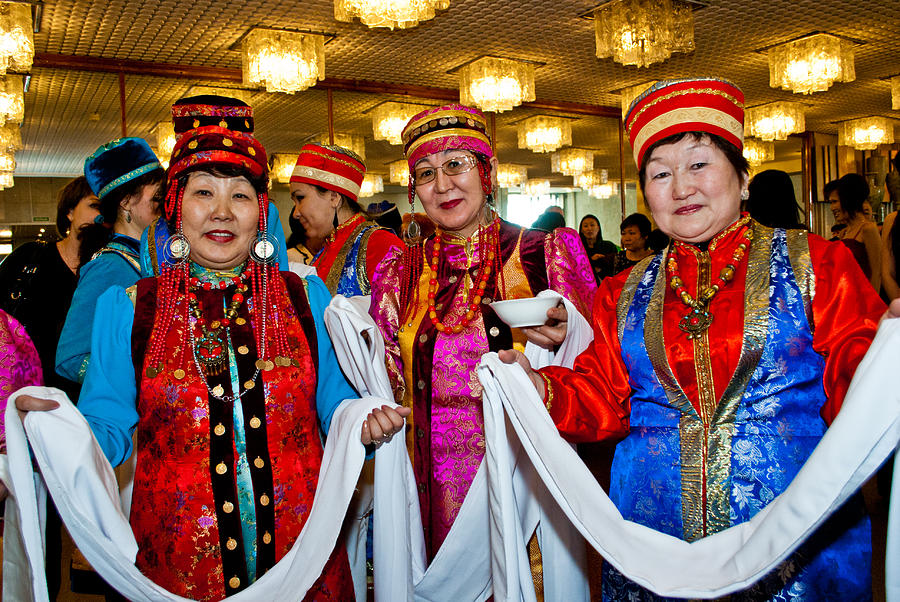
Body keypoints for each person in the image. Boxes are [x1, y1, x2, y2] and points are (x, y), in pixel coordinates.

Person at [501, 77, 883, 599]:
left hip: (793, 536)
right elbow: (602, 396)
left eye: (699, 164)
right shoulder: (623, 291)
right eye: (661, 173)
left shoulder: (817, 265)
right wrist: (537, 387)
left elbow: (860, 376)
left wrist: (888, 361)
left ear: (742, 178)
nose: (681, 188)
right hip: (652, 538)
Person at [16, 124, 408, 600]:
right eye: (204, 192)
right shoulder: (130, 309)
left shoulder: (305, 297)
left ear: (259, 212)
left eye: (239, 196)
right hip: (178, 566)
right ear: (175, 206)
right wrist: (51, 435)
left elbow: (336, 407)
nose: (222, 211)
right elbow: (106, 428)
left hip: (303, 558)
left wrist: (364, 422)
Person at [368, 103, 597, 561]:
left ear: (487, 171)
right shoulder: (401, 272)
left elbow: (598, 367)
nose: (442, 185)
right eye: (426, 173)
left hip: (524, 484)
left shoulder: (542, 253)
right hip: (427, 489)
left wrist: (571, 331)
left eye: (456, 164)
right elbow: (382, 381)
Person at [56, 138, 164, 383]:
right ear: (126, 201)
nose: (165, 205)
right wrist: (135, 381)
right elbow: (70, 358)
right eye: (157, 198)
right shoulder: (108, 266)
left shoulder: (153, 257)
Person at [0, 176, 98, 400]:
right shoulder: (30, 256)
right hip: (24, 393)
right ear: (70, 212)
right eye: (94, 206)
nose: (101, 216)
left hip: (82, 400)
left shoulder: (104, 269)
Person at [290, 143, 402, 296]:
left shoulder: (380, 244)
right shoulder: (325, 249)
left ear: (334, 197)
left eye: (300, 198)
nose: (296, 213)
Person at [836, 173, 881, 291]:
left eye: (835, 201)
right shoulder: (844, 232)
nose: (833, 207)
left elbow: (877, 272)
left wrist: (872, 300)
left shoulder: (868, 228)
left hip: (863, 295)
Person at [578, 214, 617, 283]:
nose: (589, 229)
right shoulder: (577, 249)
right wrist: (592, 260)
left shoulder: (609, 246)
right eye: (586, 226)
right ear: (581, 230)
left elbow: (615, 269)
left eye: (592, 225)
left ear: (598, 228)